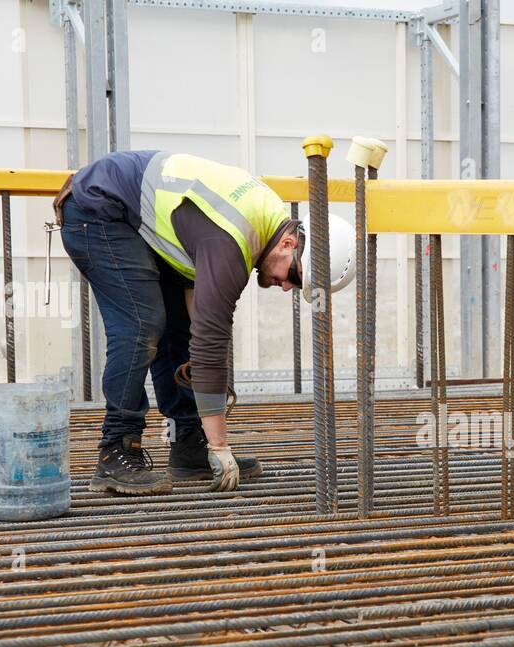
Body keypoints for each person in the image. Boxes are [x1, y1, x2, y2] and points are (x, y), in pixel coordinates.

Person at [55, 150, 352, 494]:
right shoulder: (233, 240)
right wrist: (221, 447)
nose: (286, 287)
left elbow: (203, 322)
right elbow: (211, 341)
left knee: (178, 330)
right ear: (289, 243)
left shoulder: (266, 219)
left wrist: (205, 374)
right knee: (141, 324)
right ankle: (116, 451)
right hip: (98, 209)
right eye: (295, 277)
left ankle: (188, 445)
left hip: (131, 216)